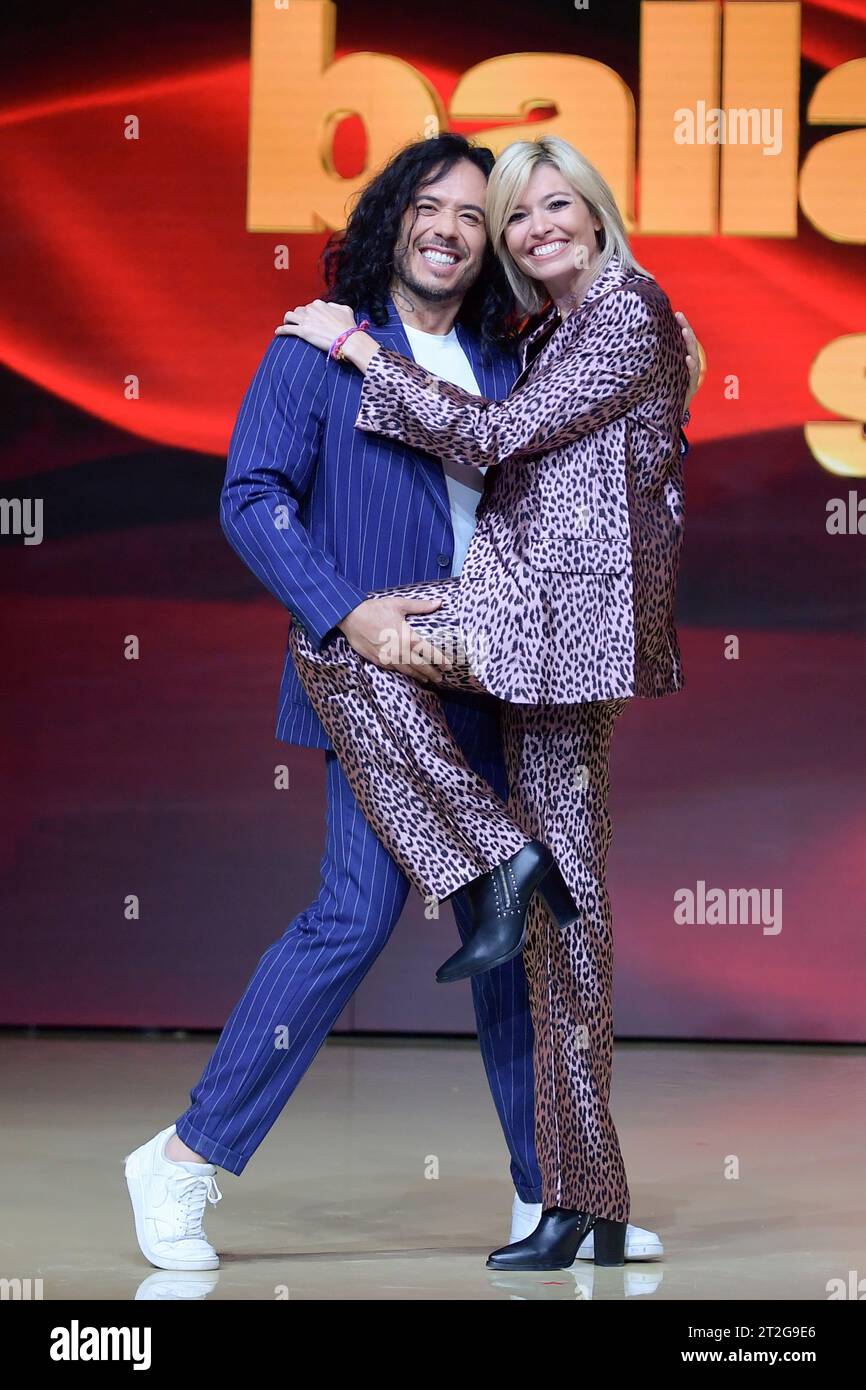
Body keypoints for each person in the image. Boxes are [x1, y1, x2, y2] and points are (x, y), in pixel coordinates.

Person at [123, 133, 699, 1275]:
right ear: (390, 220)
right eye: (426, 207)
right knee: (353, 914)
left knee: (517, 930)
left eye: (471, 215)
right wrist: (348, 616)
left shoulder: (508, 349)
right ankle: (185, 1159)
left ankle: (554, 1200)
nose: (450, 227)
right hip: (384, 680)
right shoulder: (320, 348)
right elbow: (250, 498)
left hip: (504, 670)